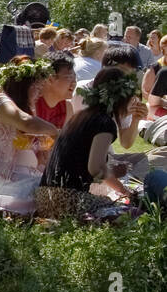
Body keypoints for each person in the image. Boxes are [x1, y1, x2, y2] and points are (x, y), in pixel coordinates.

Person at [36, 68, 143, 218]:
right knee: (134, 213)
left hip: (43, 198)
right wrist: (124, 190)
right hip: (67, 199)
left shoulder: (80, 116)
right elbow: (96, 168)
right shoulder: (104, 123)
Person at [0, 56, 59, 198]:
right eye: (37, 86)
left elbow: (26, 141)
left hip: (3, 179)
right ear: (23, 85)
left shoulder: (16, 106)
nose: (40, 93)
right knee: (47, 194)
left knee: (53, 187)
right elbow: (27, 122)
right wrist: (56, 131)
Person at [34, 53, 76, 130]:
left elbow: (67, 140)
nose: (74, 82)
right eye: (69, 77)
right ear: (50, 79)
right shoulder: (32, 104)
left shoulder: (67, 107)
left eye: (74, 77)